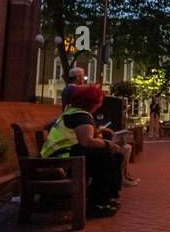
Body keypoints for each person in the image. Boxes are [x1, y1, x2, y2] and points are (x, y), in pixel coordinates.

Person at [40, 83, 126, 218]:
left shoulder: (73, 112)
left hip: (56, 155)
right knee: (109, 156)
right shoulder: (82, 117)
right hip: (63, 159)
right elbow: (86, 141)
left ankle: (104, 198)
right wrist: (108, 144)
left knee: (107, 156)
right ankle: (98, 203)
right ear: (94, 103)